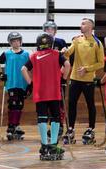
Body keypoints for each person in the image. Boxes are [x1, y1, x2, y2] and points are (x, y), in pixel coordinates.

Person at [21, 32, 69, 161]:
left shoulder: (34, 56)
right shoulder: (57, 54)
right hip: (54, 92)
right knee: (55, 118)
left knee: (41, 118)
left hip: (39, 91)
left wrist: (30, 82)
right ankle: (53, 144)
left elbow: (23, 69)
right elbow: (68, 65)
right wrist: (64, 79)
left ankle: (44, 145)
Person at [61, 18, 104, 145]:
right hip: (74, 78)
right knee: (72, 104)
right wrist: (64, 51)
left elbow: (101, 63)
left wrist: (87, 69)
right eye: (81, 23)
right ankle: (70, 129)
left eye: (84, 23)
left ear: (91, 26)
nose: (81, 25)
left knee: (90, 104)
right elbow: (68, 53)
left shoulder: (97, 43)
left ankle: (91, 129)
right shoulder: (77, 40)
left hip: (88, 80)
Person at [0, 32, 29, 140]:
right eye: (13, 41)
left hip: (22, 83)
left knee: (20, 105)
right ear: (10, 42)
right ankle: (11, 125)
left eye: (18, 41)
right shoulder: (7, 53)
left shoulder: (26, 54)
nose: (16, 43)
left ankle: (16, 125)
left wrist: (30, 82)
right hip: (11, 83)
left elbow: (30, 68)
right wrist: (1, 73)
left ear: (20, 41)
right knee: (13, 103)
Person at [43, 21, 71, 138]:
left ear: (55, 31)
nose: (49, 32)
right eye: (47, 29)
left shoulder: (60, 42)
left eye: (51, 30)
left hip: (58, 77)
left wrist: (64, 77)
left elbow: (66, 60)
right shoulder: (42, 42)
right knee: (48, 103)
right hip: (46, 77)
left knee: (59, 103)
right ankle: (52, 125)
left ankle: (59, 126)